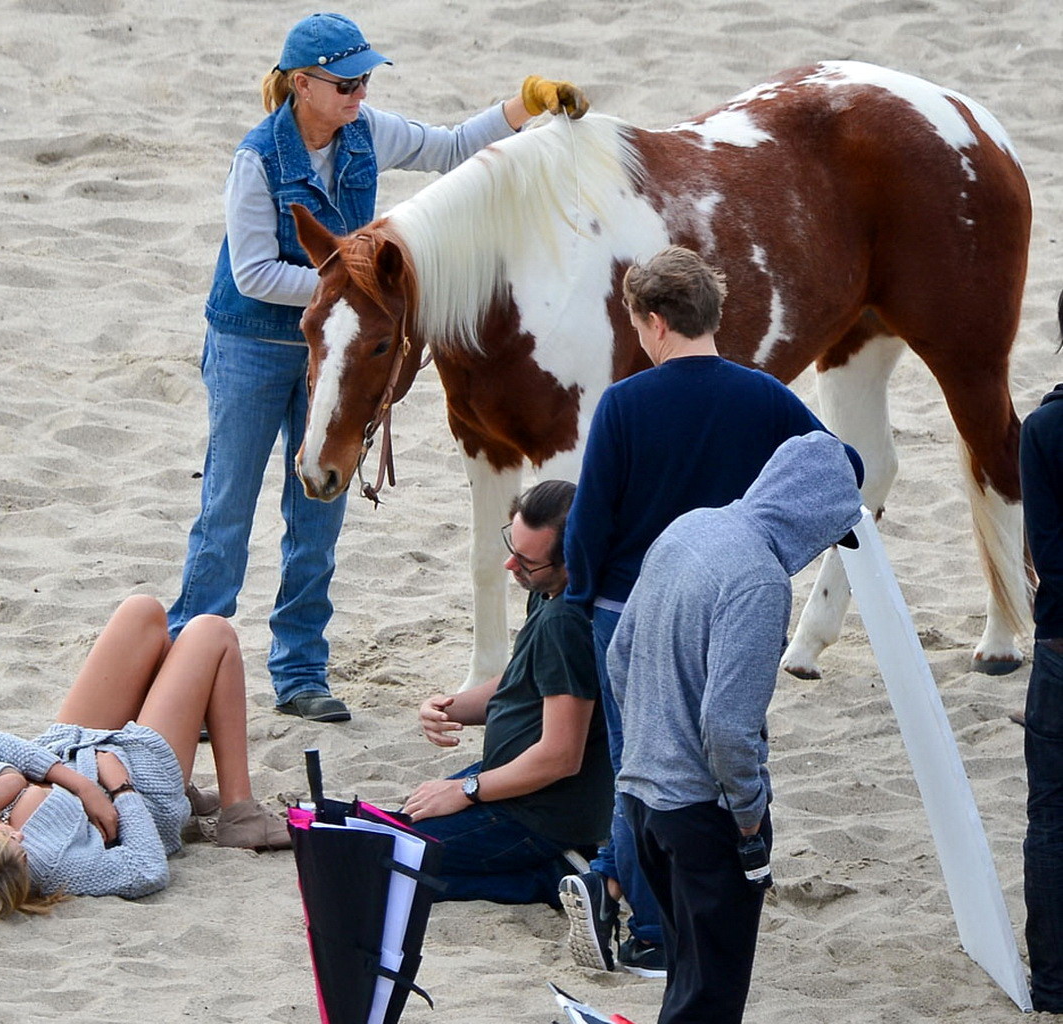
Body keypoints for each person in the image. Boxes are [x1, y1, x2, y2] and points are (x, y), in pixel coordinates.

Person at [172, 11, 589, 723]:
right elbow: (251, 275)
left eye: (365, 80)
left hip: (339, 355)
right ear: (301, 85)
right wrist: (359, 295)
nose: (358, 95)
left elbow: (453, 146)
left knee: (318, 514)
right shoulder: (257, 158)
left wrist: (526, 102)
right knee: (227, 512)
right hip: (253, 347)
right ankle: (188, 676)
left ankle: (300, 671)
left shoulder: (367, 131)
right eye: (345, 83)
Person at [558, 245, 864, 975]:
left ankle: (648, 930)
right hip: (728, 604)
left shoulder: (626, 403)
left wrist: (576, 600)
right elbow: (837, 461)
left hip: (629, 605)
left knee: (642, 770)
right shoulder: (760, 396)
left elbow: (588, 523)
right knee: (719, 761)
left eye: (636, 323)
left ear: (655, 323)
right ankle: (685, 904)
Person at [612, 431, 863, 1023]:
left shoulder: (690, 527)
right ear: (817, 510)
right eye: (831, 530)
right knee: (710, 1001)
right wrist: (748, 815)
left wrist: (648, 746)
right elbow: (727, 728)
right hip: (703, 814)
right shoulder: (759, 580)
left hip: (641, 799)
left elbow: (620, 657)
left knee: (687, 979)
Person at [0, 596, 290, 925]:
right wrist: (120, 789)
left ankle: (187, 787)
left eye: (8, 839)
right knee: (211, 632)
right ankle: (240, 813)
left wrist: (79, 784)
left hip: (67, 746)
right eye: (20, 850)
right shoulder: (43, 866)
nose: (20, 839)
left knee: (142, 613)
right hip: (139, 778)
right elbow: (144, 869)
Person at [399, 480, 611, 906]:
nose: (510, 565)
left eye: (528, 561)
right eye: (511, 545)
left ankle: (553, 876)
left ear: (573, 560)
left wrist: (467, 789)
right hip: (517, 785)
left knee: (389, 863)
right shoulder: (551, 589)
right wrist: (449, 707)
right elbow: (525, 681)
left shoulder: (564, 623)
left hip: (540, 812)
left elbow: (560, 756)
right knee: (393, 825)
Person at [1022, 311, 1063, 1011]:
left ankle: (1054, 982)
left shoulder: (1043, 430)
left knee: (1051, 822)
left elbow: (1043, 558)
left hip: (1062, 645)